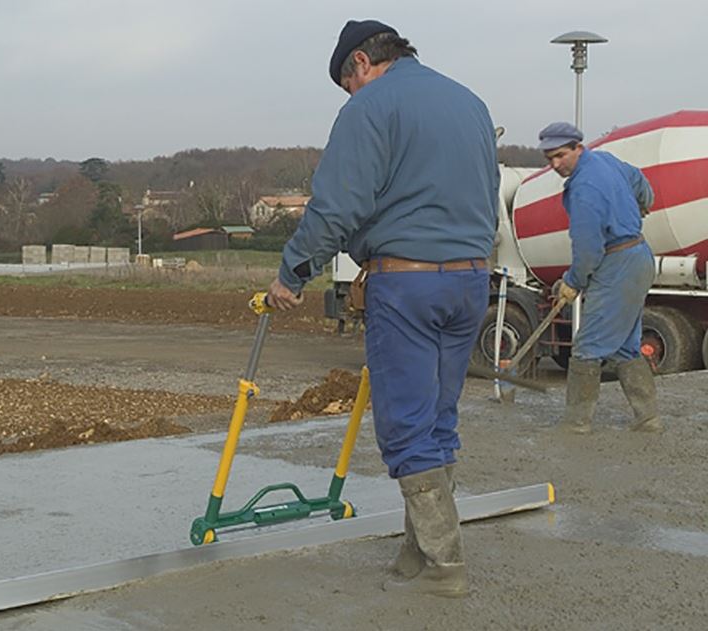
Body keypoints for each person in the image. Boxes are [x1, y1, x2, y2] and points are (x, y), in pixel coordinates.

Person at [267, 19, 499, 597]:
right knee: (439, 421)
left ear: (361, 66)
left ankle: (445, 567)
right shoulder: (469, 102)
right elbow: (487, 191)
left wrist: (293, 271)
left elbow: (337, 204)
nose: (350, 95)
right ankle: (418, 554)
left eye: (347, 84)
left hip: (408, 284)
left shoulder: (370, 108)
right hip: (471, 281)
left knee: (406, 428)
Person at [538, 121, 662, 434]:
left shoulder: (584, 189)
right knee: (625, 346)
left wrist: (573, 281)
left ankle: (576, 422)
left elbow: (588, 248)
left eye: (561, 155)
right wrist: (643, 202)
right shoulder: (605, 160)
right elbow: (638, 179)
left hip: (617, 262)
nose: (555, 164)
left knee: (588, 346)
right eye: (549, 158)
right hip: (639, 257)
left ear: (578, 147)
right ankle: (648, 419)